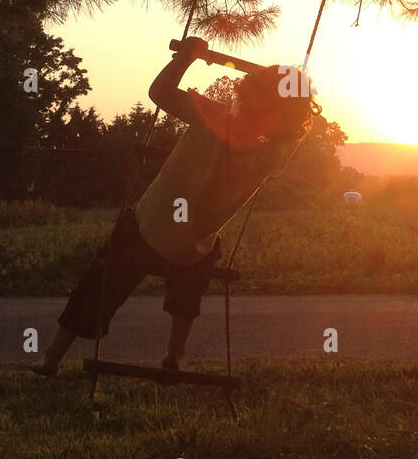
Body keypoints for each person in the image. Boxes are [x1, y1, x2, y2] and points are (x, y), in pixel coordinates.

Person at [32, 37, 317, 375]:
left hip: (147, 228)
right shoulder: (270, 157)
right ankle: (174, 356)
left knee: (97, 289)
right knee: (187, 296)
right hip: (193, 248)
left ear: (247, 92)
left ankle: (50, 357)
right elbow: (292, 136)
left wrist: (187, 58)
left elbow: (160, 91)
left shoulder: (212, 114)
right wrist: (300, 95)